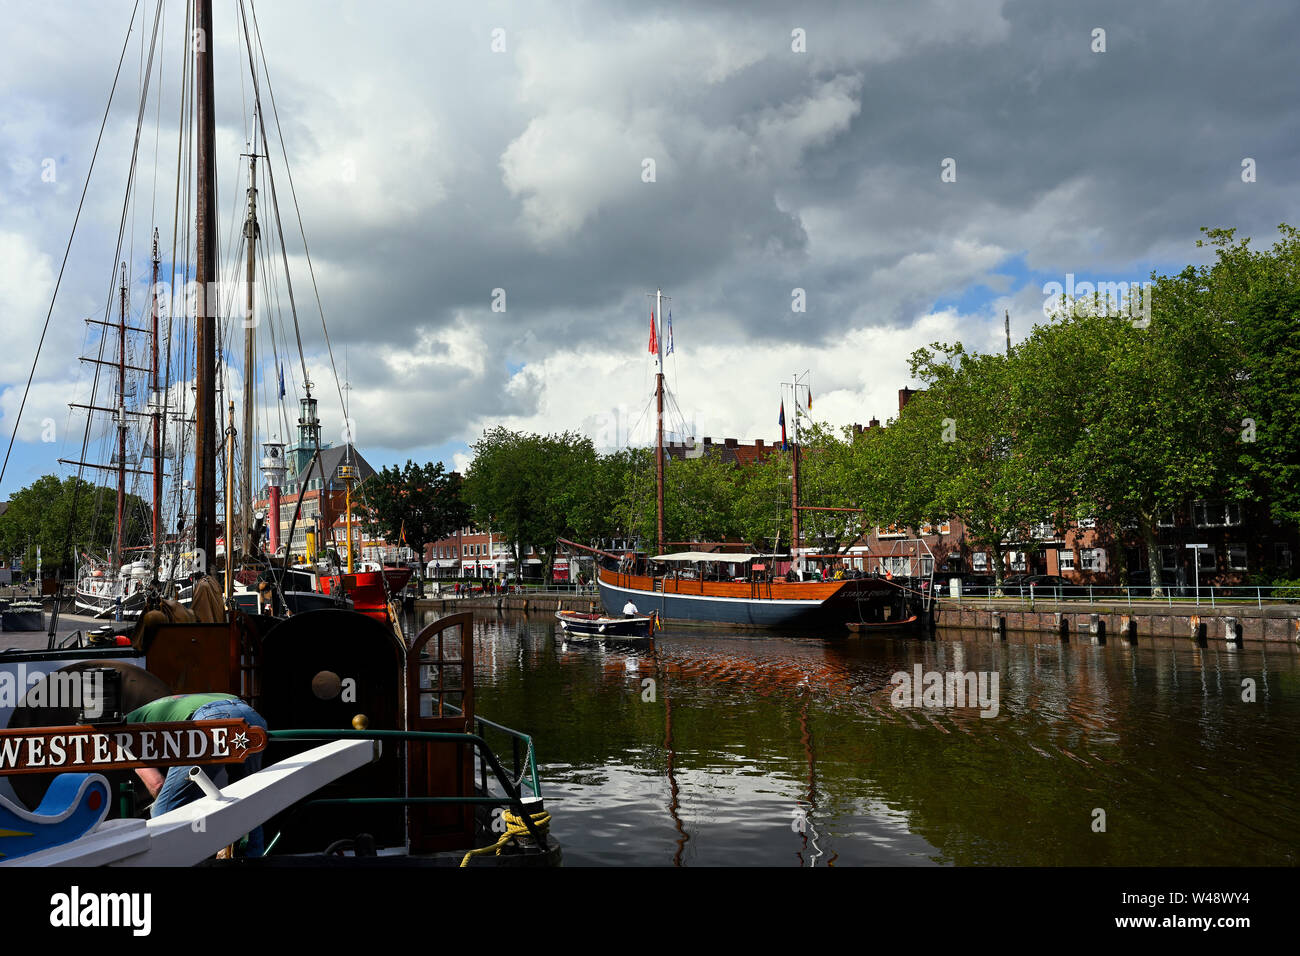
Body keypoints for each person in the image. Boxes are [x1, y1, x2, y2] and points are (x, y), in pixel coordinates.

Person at [124, 692, 268, 856]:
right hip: (250, 715)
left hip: (211, 718)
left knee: (164, 811)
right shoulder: (158, 707)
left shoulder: (123, 733)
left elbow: (157, 785)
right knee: (248, 800)